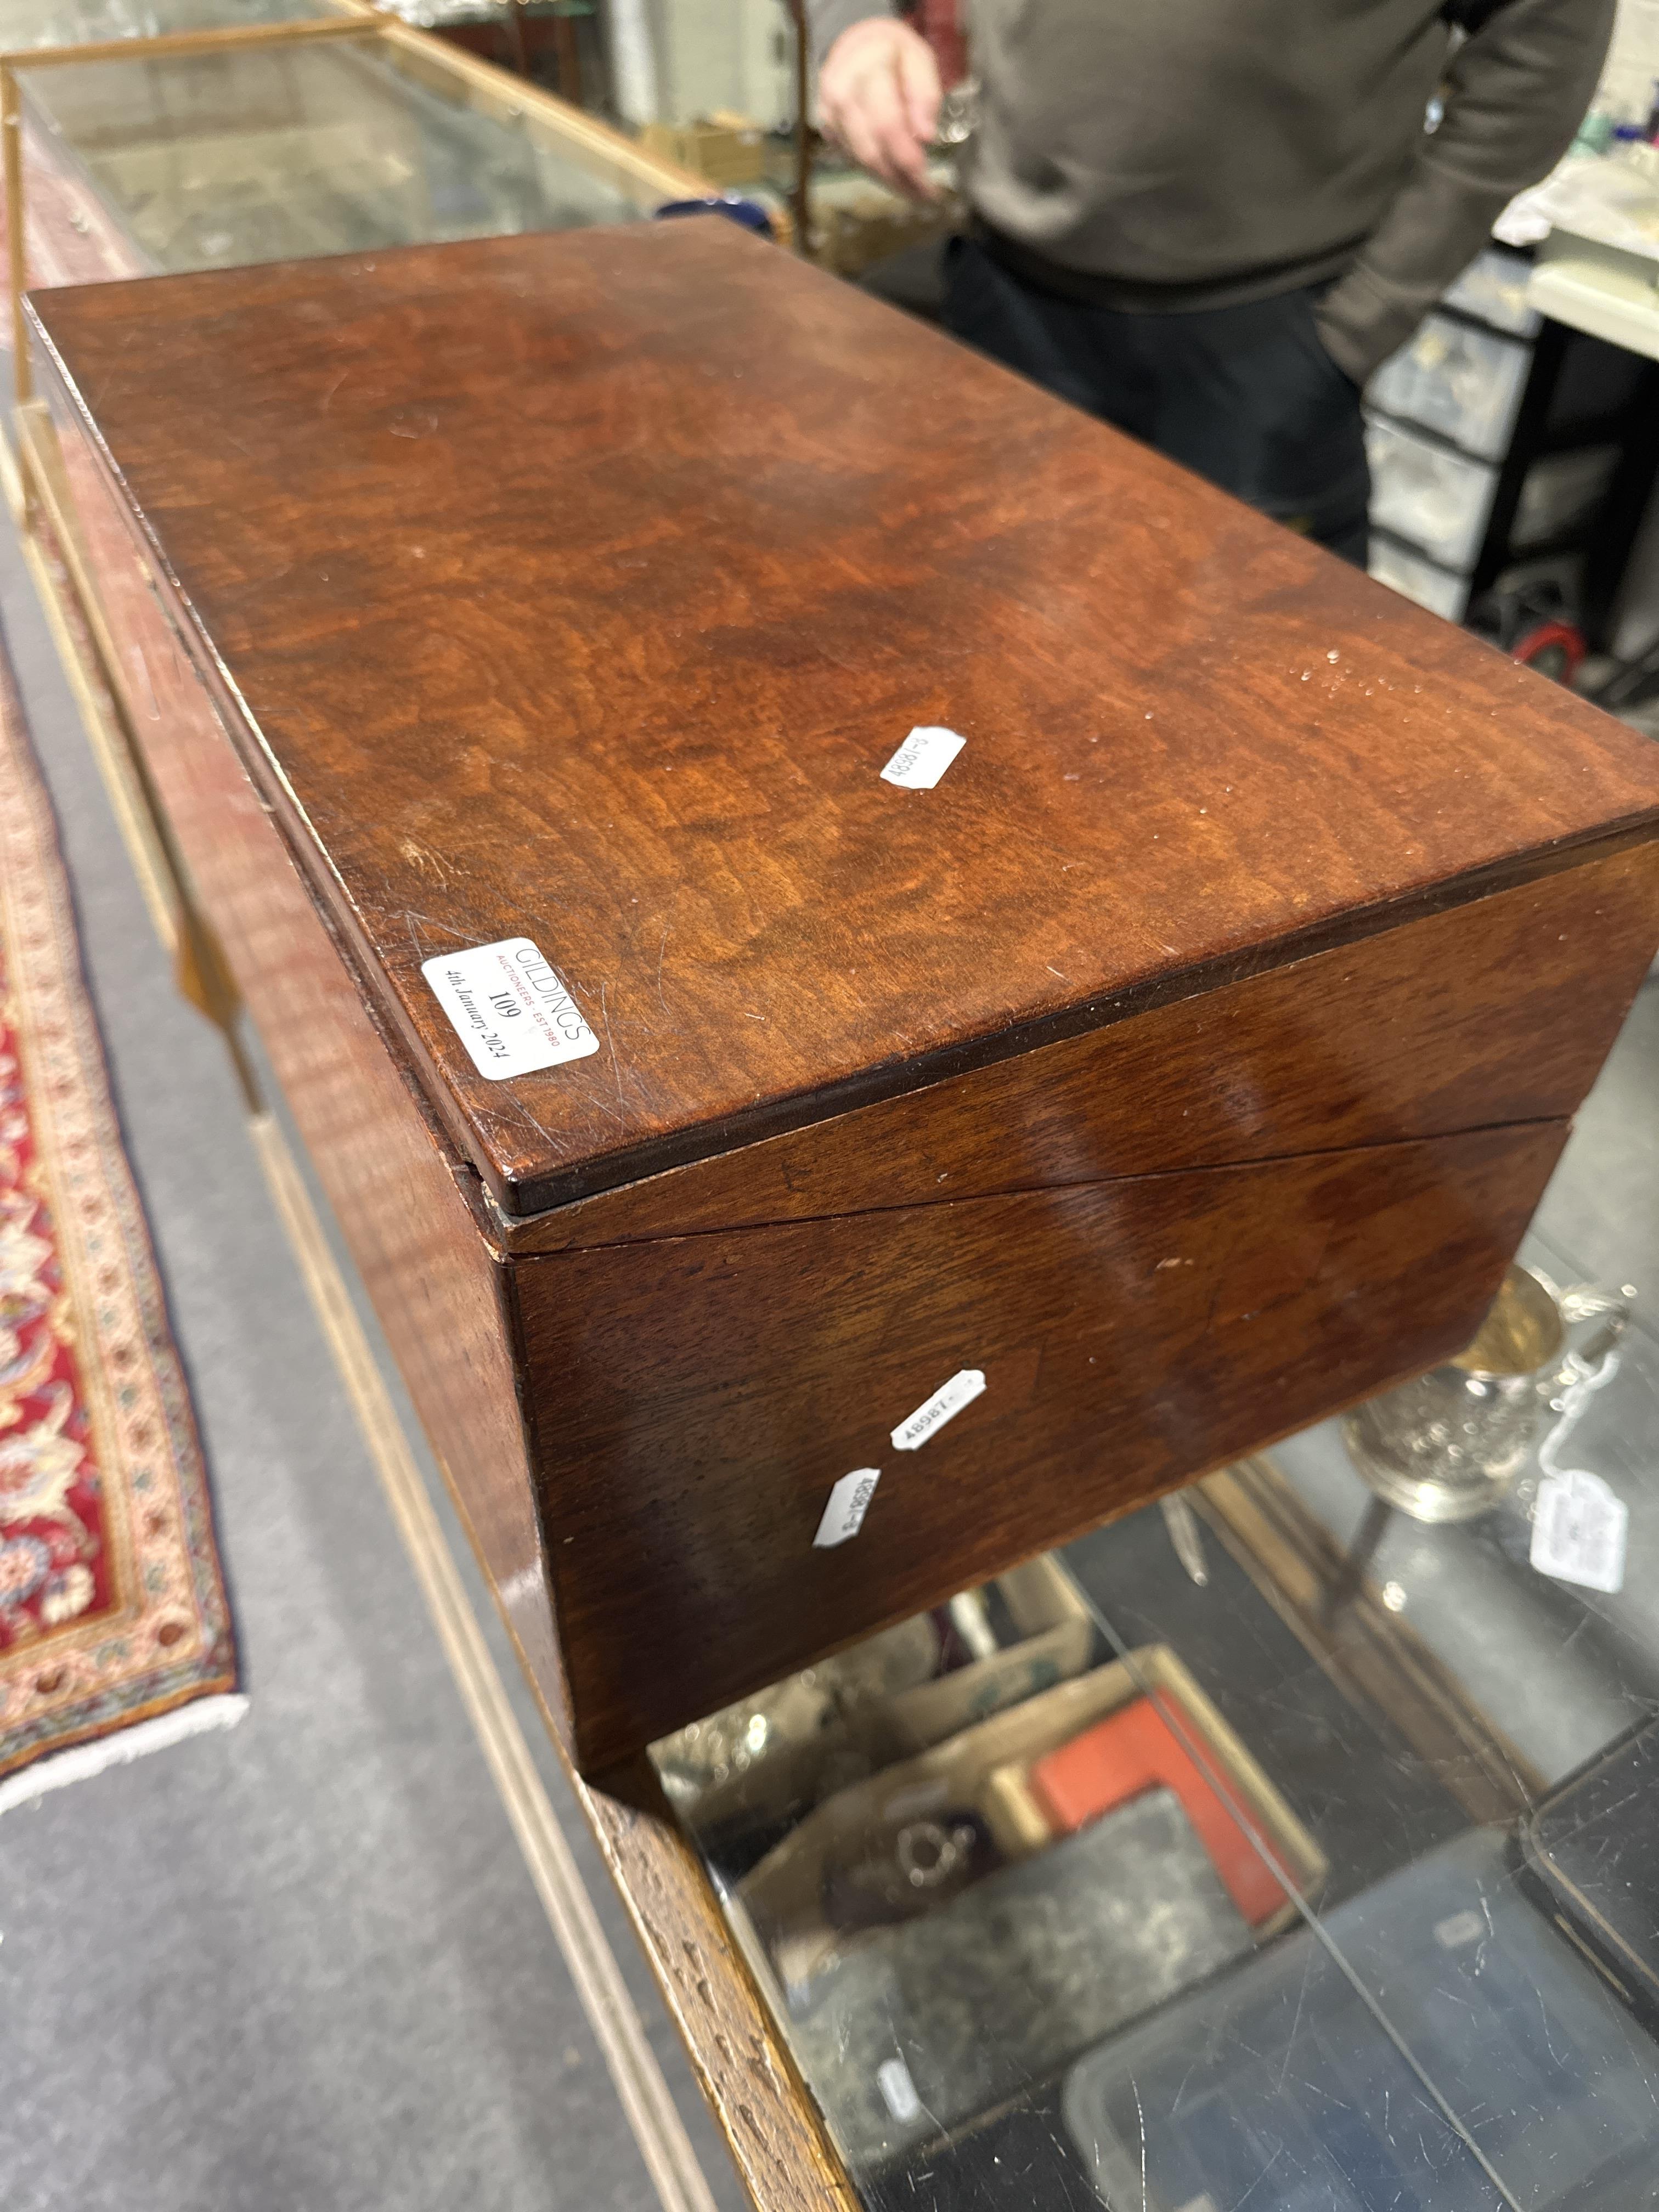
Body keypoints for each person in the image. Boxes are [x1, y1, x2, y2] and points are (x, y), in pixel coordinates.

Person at [810, 0, 1615, 564]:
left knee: (1255, 706)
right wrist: (856, 25)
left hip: (1264, 341)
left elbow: (1543, 46)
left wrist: (1361, 322)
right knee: (974, 647)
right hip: (1004, 287)